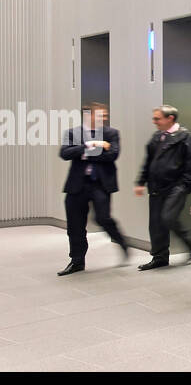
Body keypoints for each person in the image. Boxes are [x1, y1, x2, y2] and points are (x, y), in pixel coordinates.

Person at [57, 103, 129, 274]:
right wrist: (93, 145)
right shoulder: (73, 133)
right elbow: (65, 154)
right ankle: (77, 261)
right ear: (88, 115)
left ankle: (121, 242)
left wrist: (82, 153)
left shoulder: (112, 133)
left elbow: (113, 155)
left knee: (103, 218)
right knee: (75, 225)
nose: (103, 118)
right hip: (77, 185)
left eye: (104, 115)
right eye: (99, 115)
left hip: (100, 184)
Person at [133, 105, 191, 269]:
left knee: (168, 217)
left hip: (176, 186)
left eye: (157, 118)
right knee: (156, 223)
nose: (154, 122)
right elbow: (148, 162)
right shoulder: (157, 137)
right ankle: (159, 257)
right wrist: (141, 182)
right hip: (157, 186)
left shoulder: (186, 137)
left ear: (170, 118)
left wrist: (184, 185)